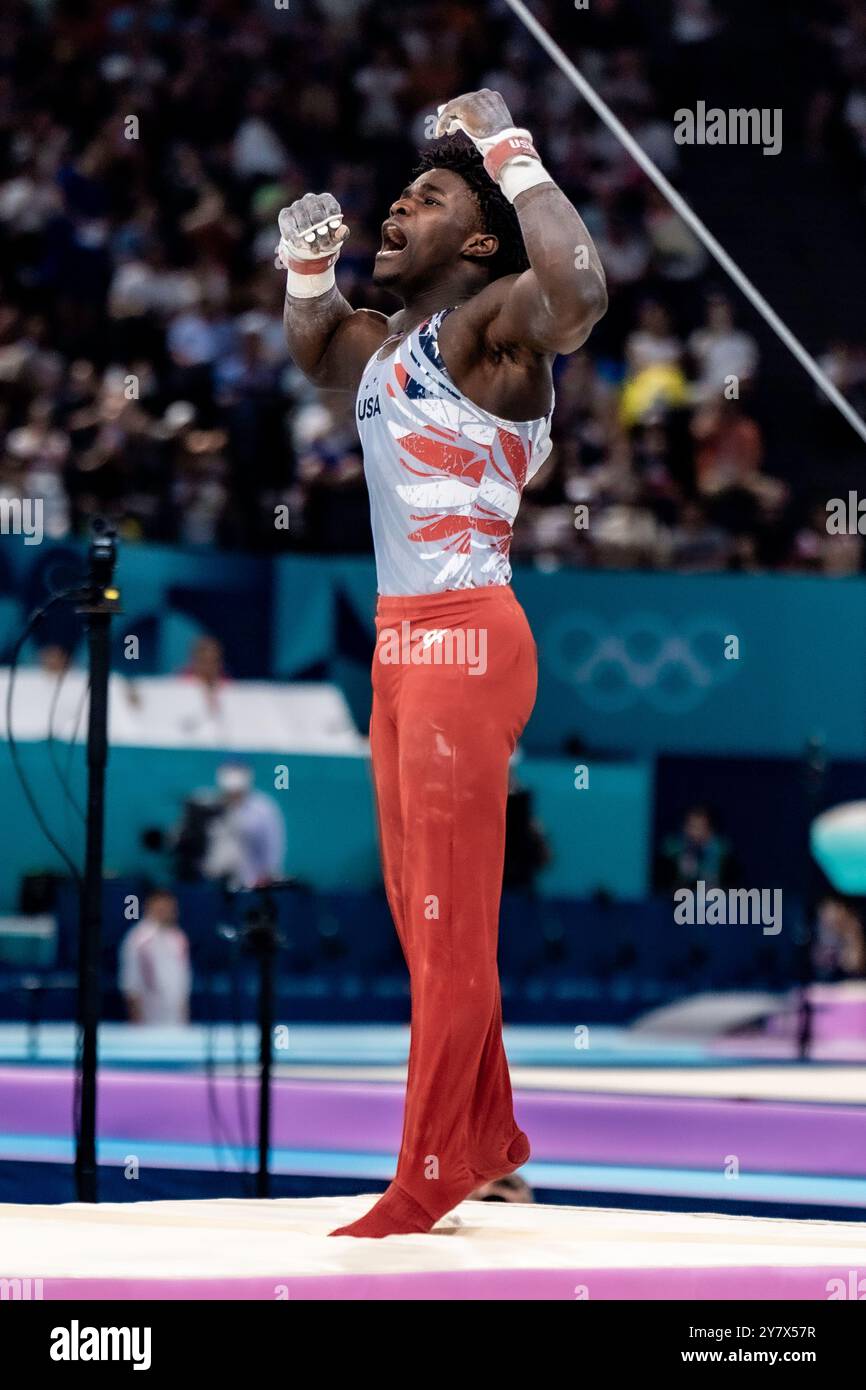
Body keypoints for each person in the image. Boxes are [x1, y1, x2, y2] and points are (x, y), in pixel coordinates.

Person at [279, 89, 606, 1237]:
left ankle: (428, 1167)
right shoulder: (390, 344)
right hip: (398, 644)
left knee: (452, 914)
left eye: (425, 198)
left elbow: (580, 290)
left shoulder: (491, 327)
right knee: (422, 919)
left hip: (465, 634)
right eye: (397, 195)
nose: (393, 208)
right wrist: (306, 270)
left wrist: (510, 154)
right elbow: (319, 352)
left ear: (475, 239)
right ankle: (485, 1136)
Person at [202, 761, 286, 889]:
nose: (233, 794)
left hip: (251, 883)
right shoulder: (208, 803)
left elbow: (273, 845)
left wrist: (268, 874)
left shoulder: (264, 809)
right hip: (213, 883)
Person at [118, 890, 191, 1025]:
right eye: (161, 906)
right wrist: (138, 1023)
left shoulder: (179, 938)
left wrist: (184, 1020)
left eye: (170, 907)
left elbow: (182, 985)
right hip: (148, 1020)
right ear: (149, 906)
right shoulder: (137, 940)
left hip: (176, 1021)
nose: (166, 911)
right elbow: (130, 986)